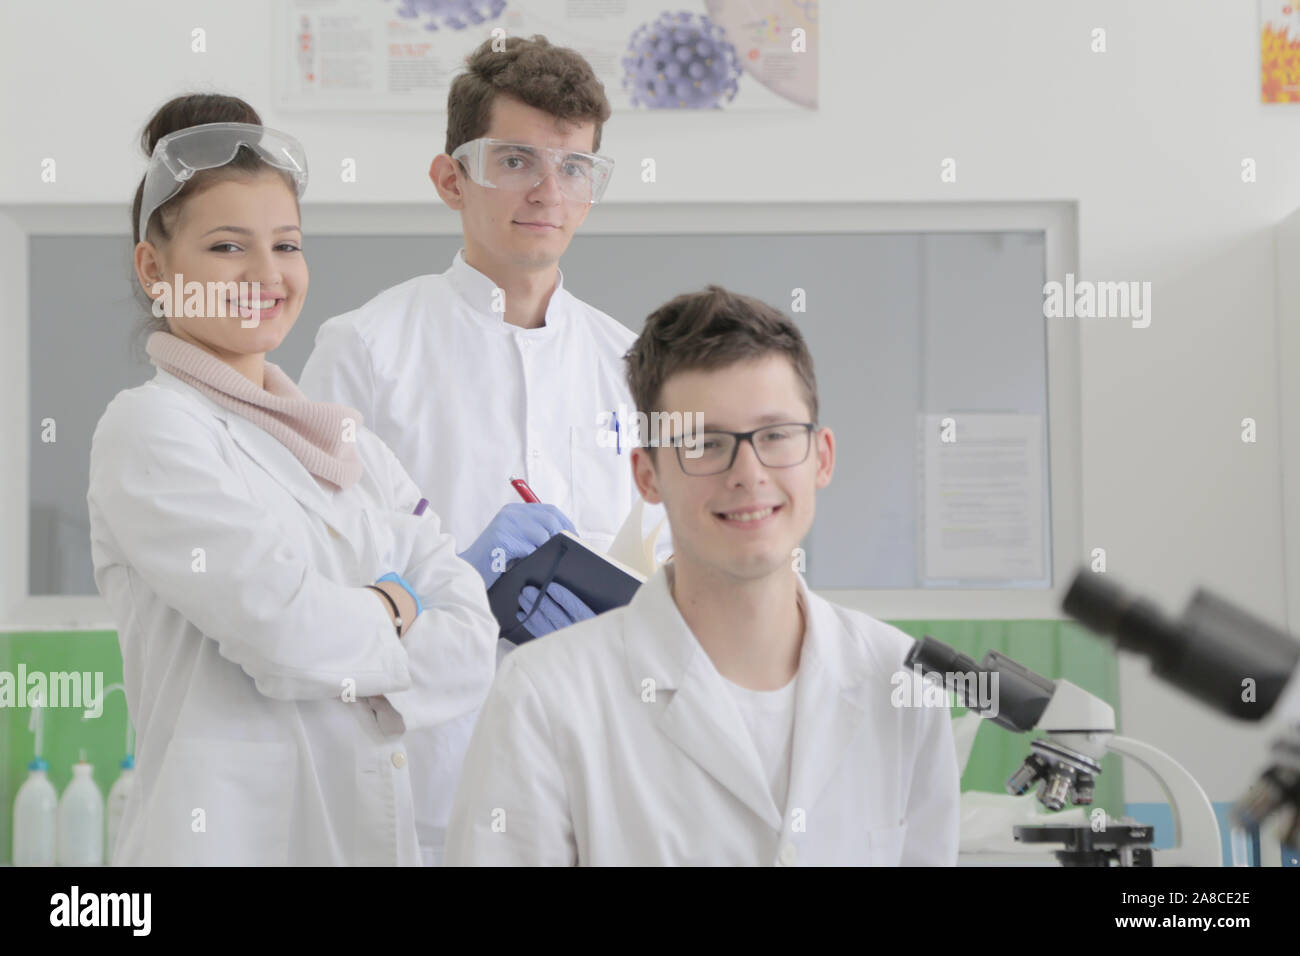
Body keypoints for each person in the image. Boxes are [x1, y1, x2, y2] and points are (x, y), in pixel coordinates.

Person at [87, 94, 498, 865]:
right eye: (227, 248)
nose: (266, 275)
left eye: (287, 244)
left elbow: (471, 643)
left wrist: (349, 638)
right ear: (155, 268)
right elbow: (282, 631)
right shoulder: (151, 430)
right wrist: (394, 603)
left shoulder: (350, 447)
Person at [298, 35, 667, 864]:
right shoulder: (365, 349)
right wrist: (449, 585)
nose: (548, 190)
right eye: (515, 160)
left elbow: (675, 568)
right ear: (449, 178)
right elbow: (311, 582)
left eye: (575, 168)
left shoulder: (633, 366)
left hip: (595, 779)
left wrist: (626, 618)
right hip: (425, 780)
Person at [445, 286, 961, 865]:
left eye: (774, 436)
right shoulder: (545, 697)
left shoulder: (903, 687)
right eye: (704, 443)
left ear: (822, 456)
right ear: (647, 475)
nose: (748, 473)